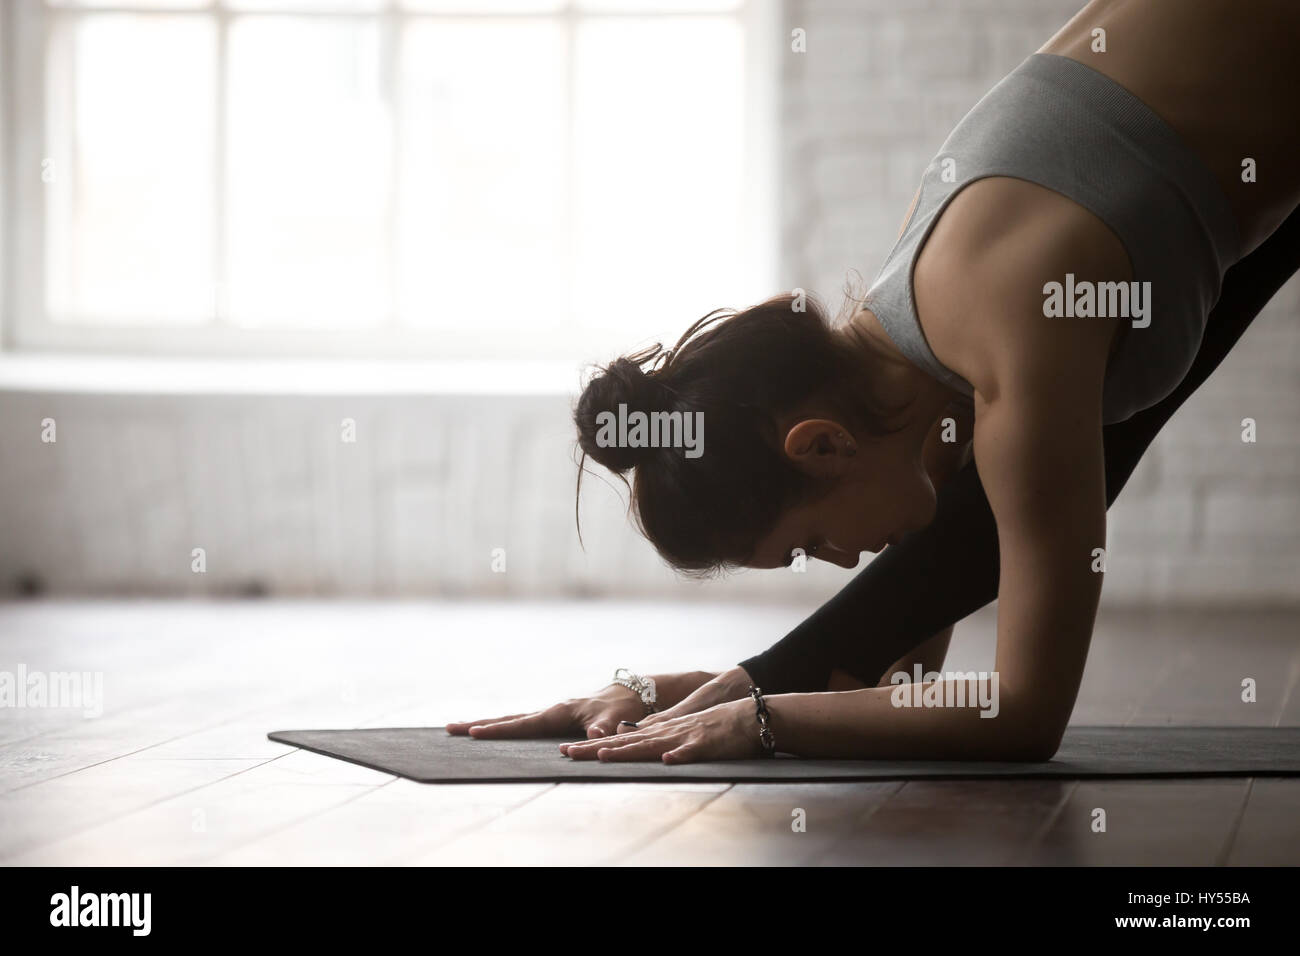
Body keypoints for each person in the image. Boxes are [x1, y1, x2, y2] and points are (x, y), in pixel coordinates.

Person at [448, 0, 1300, 762]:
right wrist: (677, 689)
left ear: (820, 443)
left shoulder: (1017, 327)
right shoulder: (927, 315)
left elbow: (1025, 715)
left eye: (807, 543)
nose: (841, 560)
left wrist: (766, 716)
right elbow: (908, 652)